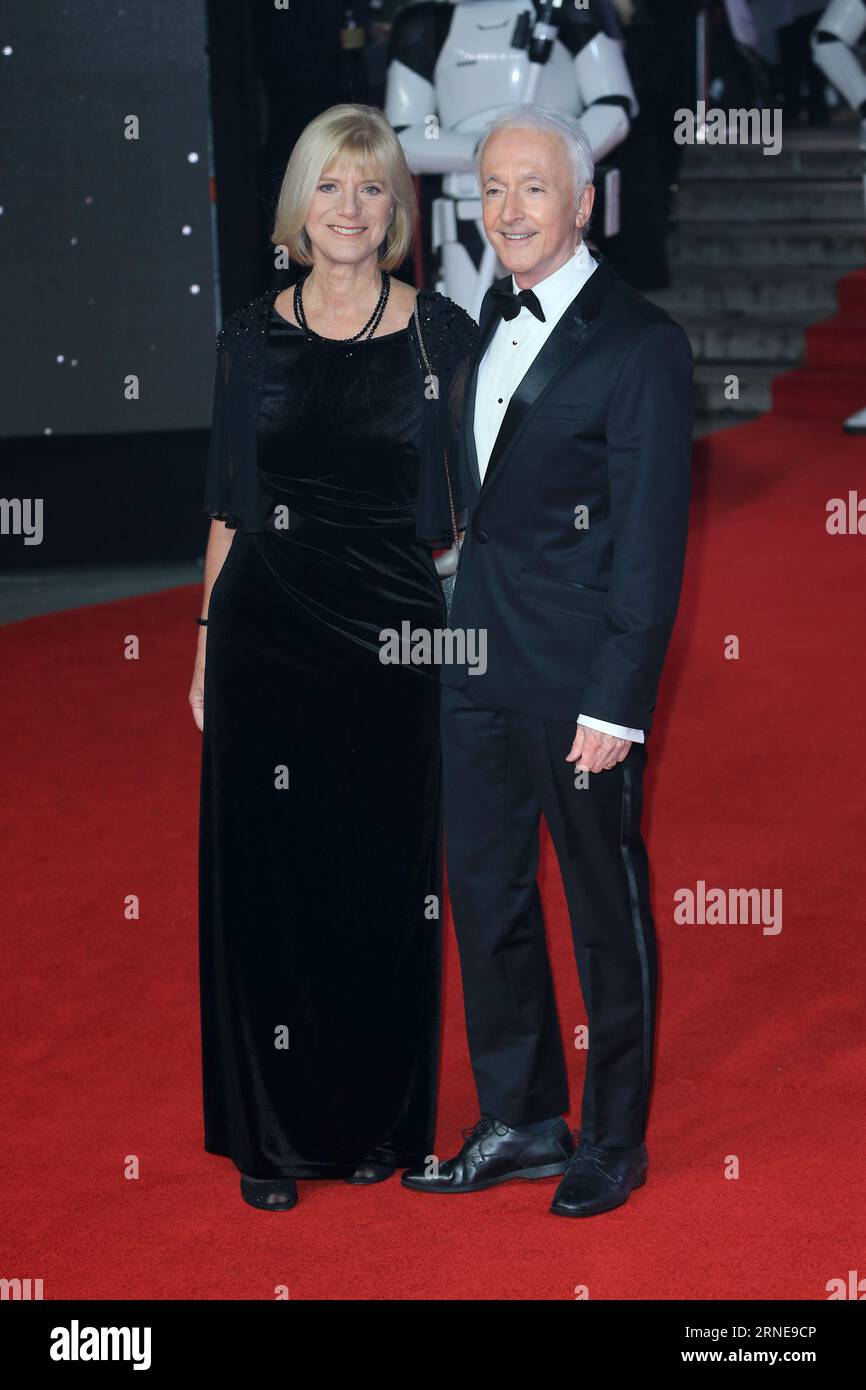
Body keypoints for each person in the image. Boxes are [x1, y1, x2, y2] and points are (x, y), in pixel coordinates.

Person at [400, 105, 693, 1217]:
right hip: (473, 663)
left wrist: (618, 700)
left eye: (533, 187)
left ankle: (612, 1135)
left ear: (582, 202)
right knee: (482, 891)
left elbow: (650, 545)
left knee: (599, 905)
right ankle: (521, 1112)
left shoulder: (639, 343)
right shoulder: (479, 323)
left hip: (579, 688)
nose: (509, 209)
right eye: (492, 190)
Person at [191, 103, 477, 1211]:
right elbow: (225, 504)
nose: (348, 209)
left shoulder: (438, 334)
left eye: (369, 190)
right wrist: (207, 640)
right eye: (328, 187)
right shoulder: (248, 334)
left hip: (393, 640)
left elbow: (462, 511)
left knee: (383, 881)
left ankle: (374, 1121)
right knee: (268, 881)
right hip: (268, 629)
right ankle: (271, 1133)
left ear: (395, 209)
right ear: (296, 208)